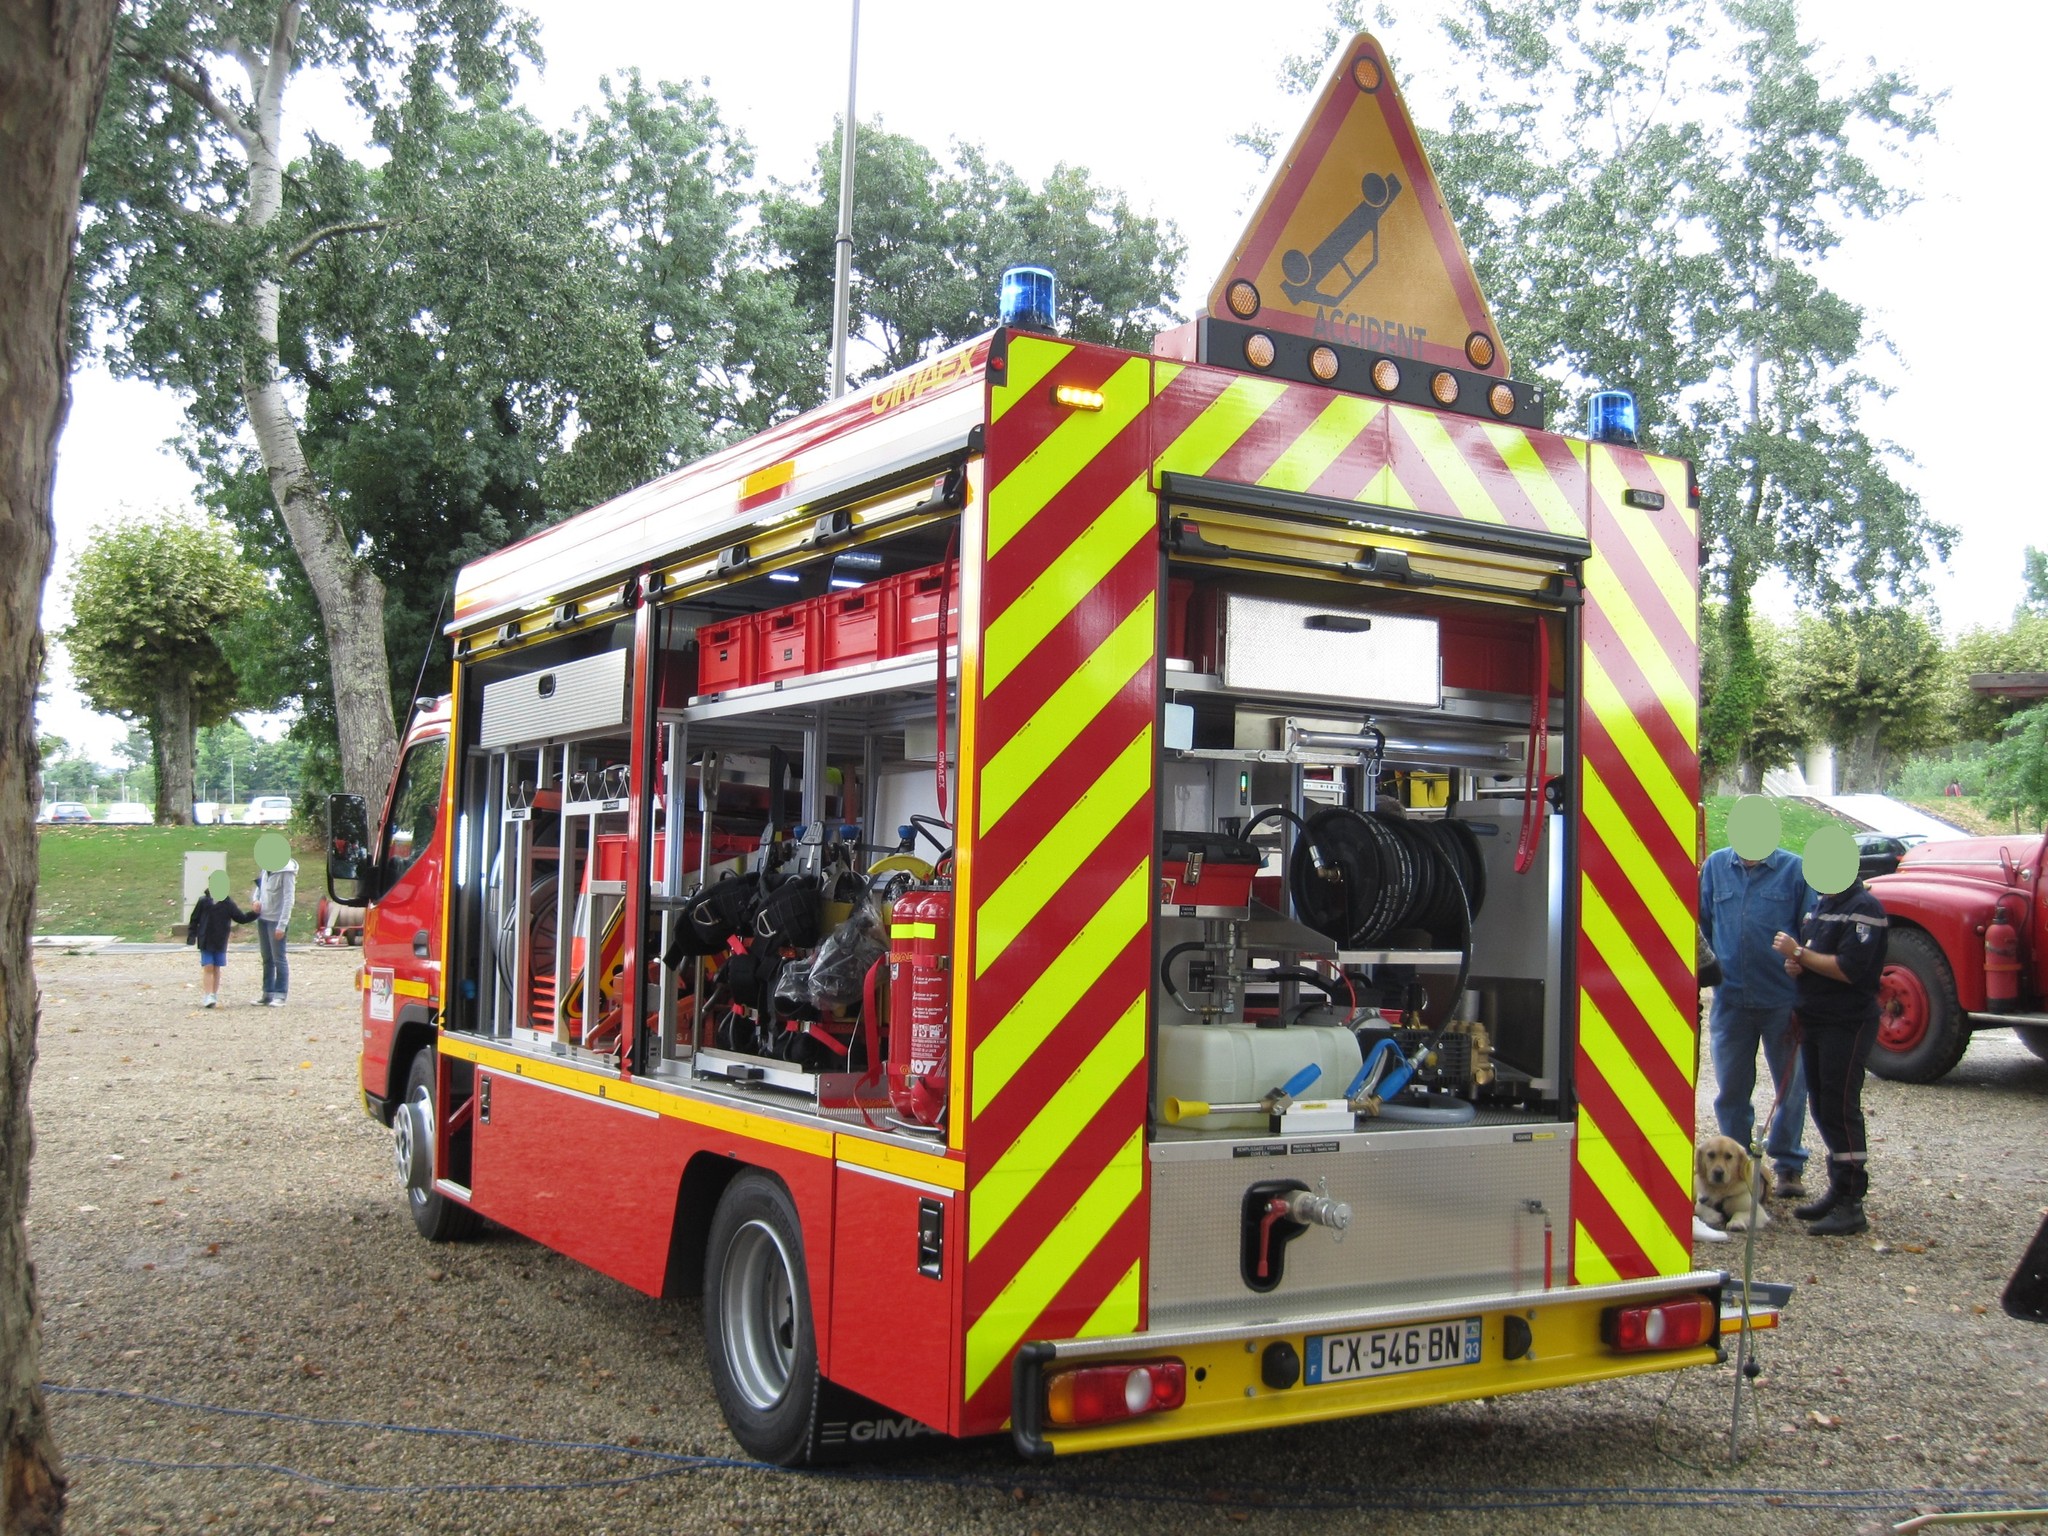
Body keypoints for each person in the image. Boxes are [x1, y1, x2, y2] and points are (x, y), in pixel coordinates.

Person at [1699, 809, 1813, 1200]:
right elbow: (1702, 924)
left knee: (1791, 1089)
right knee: (1731, 1089)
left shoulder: (1795, 871)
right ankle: (1734, 1169)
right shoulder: (1715, 867)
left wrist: (1803, 961)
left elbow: (1811, 930)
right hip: (1730, 998)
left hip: (1783, 999)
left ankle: (1788, 1166)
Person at [1772, 862, 1889, 1236]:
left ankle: (1851, 1200)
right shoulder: (1822, 905)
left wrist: (1800, 955)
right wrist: (1798, 964)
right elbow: (1816, 957)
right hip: (1816, 1017)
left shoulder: (1865, 909)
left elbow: (1850, 969)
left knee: (1840, 1105)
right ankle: (1837, 1189)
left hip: (1847, 1021)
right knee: (1821, 1104)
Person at [186, 878, 257, 1007]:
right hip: (205, 939)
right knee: (208, 966)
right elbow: (194, 919)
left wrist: (255, 914)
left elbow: (241, 918)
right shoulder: (203, 901)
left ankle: (213, 993)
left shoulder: (228, 903)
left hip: (220, 940)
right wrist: (192, 935)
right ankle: (208, 995)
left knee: (216, 967)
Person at [254, 857, 298, 1007]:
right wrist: (255, 901)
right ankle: (267, 992)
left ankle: (280, 993)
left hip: (276, 920)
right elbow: (259, 887)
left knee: (278, 957)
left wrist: (282, 925)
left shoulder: (287, 872)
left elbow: (288, 898)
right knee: (266, 958)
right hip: (263, 918)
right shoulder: (266, 867)